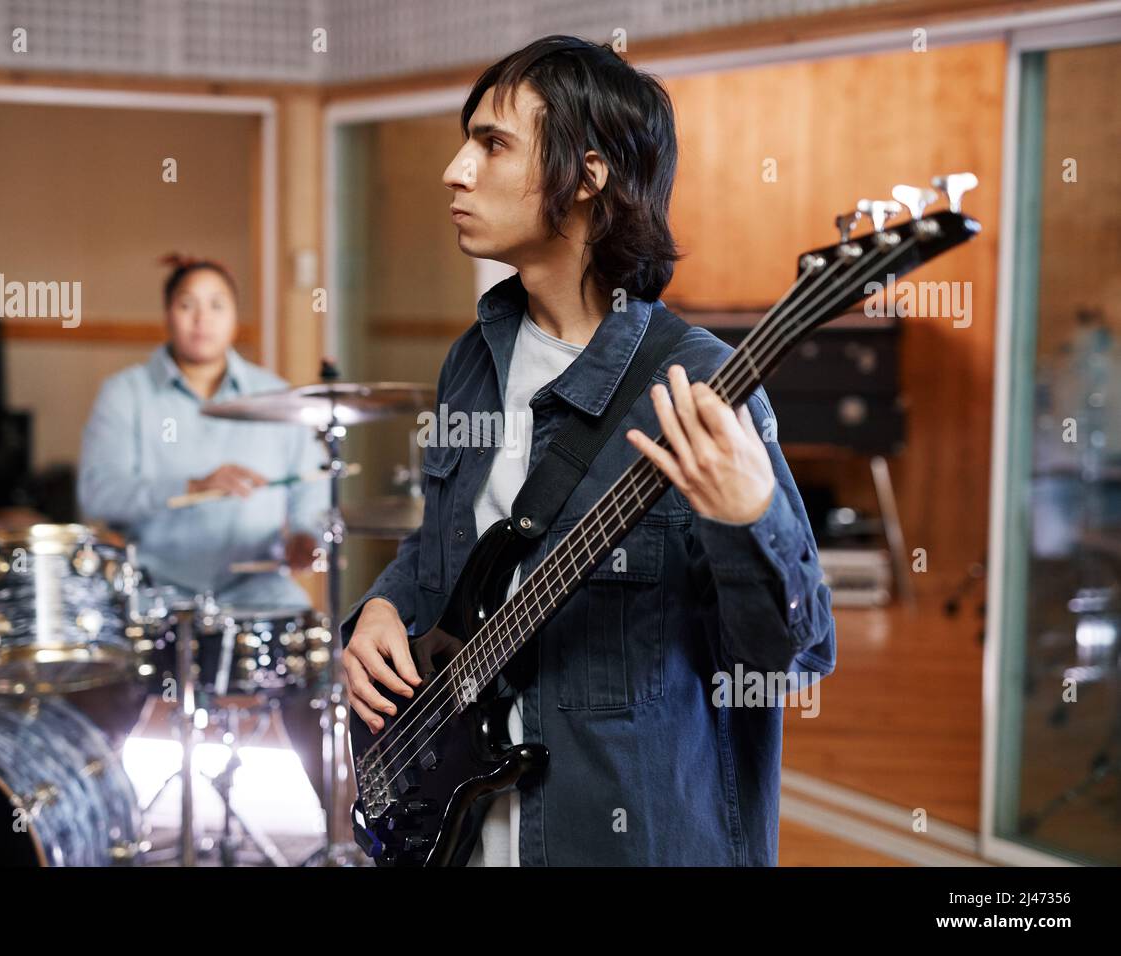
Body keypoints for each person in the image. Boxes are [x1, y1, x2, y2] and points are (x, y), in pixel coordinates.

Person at [341, 36, 836, 866]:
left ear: (587, 175)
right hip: (464, 829)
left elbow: (791, 658)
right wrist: (384, 609)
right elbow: (444, 548)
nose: (455, 170)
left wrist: (751, 519)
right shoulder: (475, 355)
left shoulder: (701, 385)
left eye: (492, 143)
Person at [78, 254, 326, 610]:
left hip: (259, 589)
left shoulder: (276, 397)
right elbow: (98, 494)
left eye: (217, 305)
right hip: (153, 591)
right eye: (187, 304)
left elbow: (312, 492)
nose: (202, 318)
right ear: (167, 314)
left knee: (317, 646)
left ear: (235, 319)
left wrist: (306, 536)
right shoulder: (124, 393)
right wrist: (191, 487)